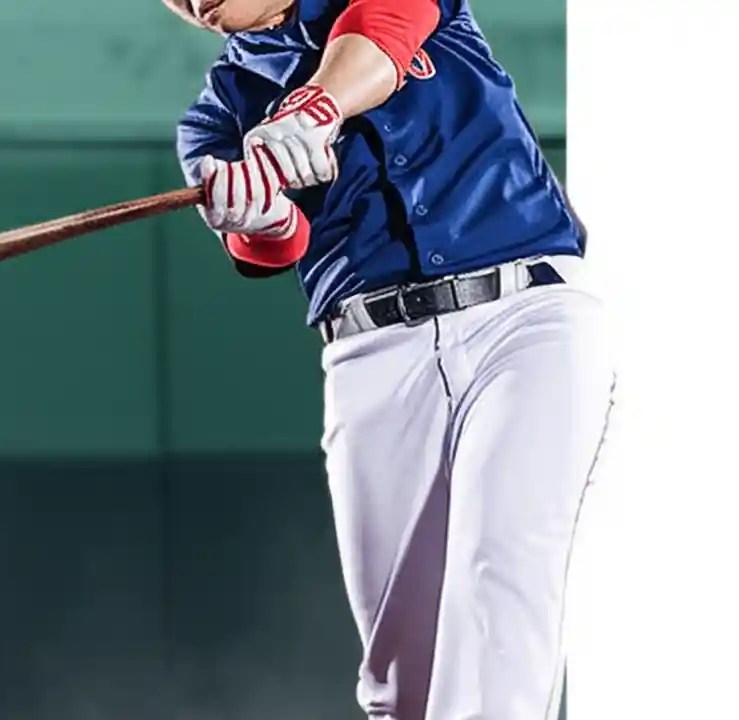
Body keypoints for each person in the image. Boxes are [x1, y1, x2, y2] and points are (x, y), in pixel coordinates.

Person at [164, 1, 615, 717]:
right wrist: (261, 212)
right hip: (372, 353)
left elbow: (379, 36)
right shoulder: (218, 115)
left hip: (524, 318)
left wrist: (313, 110)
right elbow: (272, 247)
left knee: (499, 586)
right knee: (402, 677)